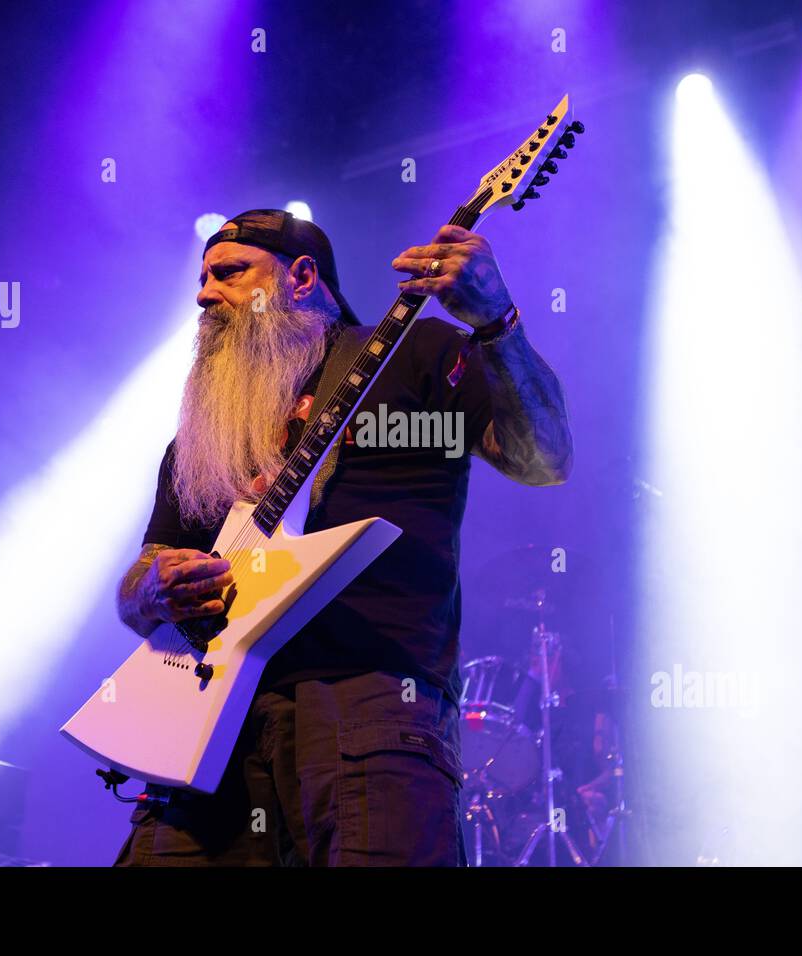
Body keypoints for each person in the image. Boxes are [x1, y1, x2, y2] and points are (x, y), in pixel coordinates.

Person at [111, 208, 572, 866]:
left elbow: (544, 459)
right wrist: (159, 587)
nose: (204, 293)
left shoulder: (416, 354)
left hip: (369, 699)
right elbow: (139, 581)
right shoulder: (206, 431)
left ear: (301, 277)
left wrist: (495, 320)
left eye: (231, 273)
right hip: (206, 723)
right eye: (205, 277)